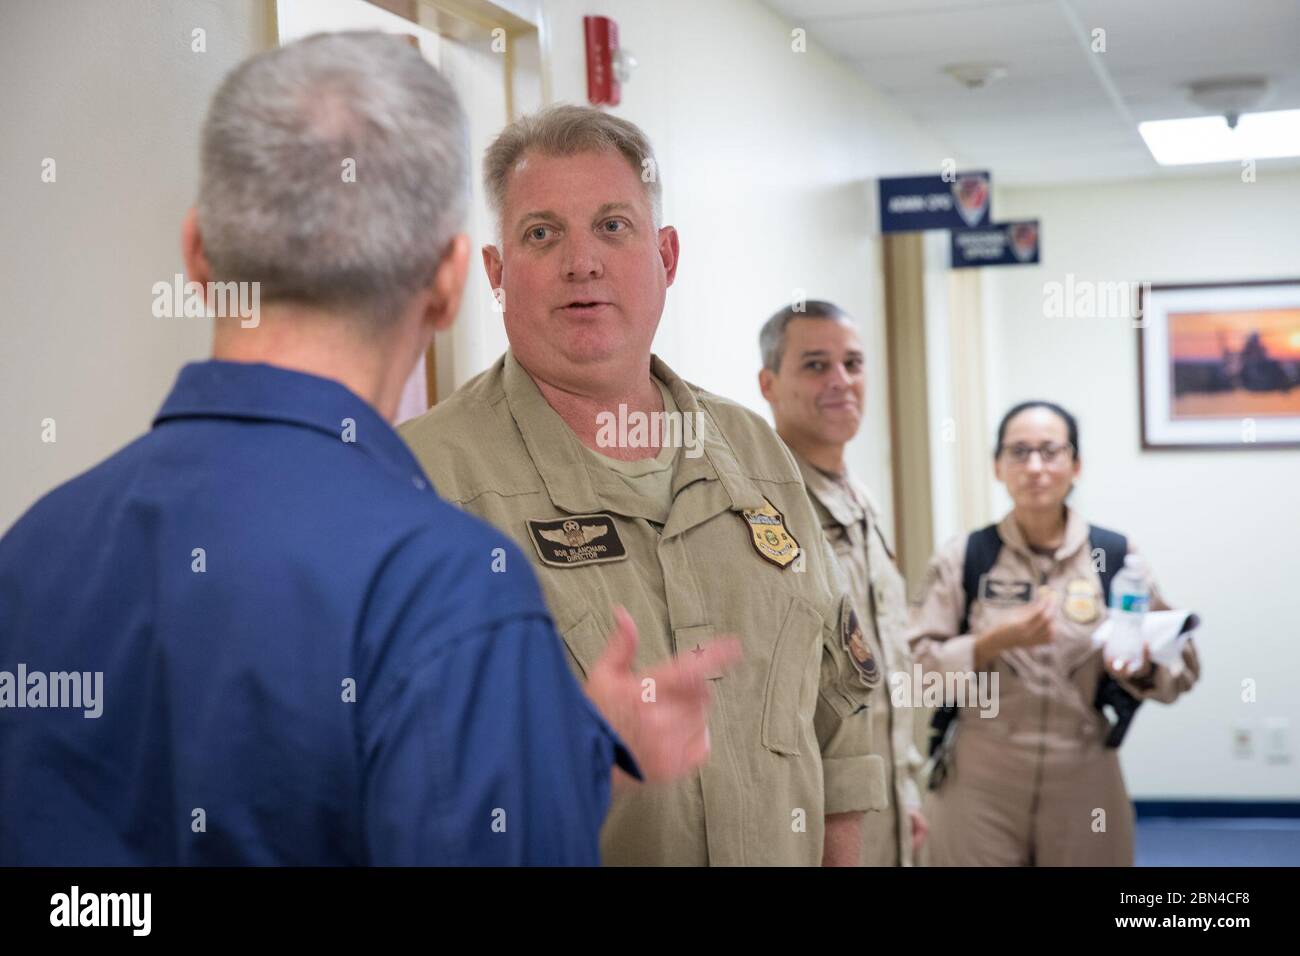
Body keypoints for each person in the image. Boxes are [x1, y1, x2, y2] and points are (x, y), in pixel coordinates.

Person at [0, 32, 737, 866]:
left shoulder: (34, 554)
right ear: (454, 280)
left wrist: (570, 761)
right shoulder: (448, 589)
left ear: (199, 253)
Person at [400, 105, 882, 866]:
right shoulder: (424, 481)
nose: (580, 262)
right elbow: (398, 786)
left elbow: (838, 721)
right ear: (496, 273)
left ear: (666, 256)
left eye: (612, 226)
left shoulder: (755, 453)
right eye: (542, 233)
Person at [907, 400, 1200, 866]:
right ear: (998, 467)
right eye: (1019, 453)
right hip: (981, 775)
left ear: (1075, 464)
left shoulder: (1115, 555)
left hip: (1083, 771)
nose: (1035, 467)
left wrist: (1141, 665)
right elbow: (915, 675)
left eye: (1050, 451)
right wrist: (992, 642)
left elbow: (1180, 669)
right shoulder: (965, 557)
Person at [758, 300, 928, 866]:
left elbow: (880, 667)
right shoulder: (765, 507)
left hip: (879, 802)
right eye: (815, 365)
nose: (841, 381)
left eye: (853, 364)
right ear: (769, 383)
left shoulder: (861, 501)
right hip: (818, 819)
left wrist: (902, 792)